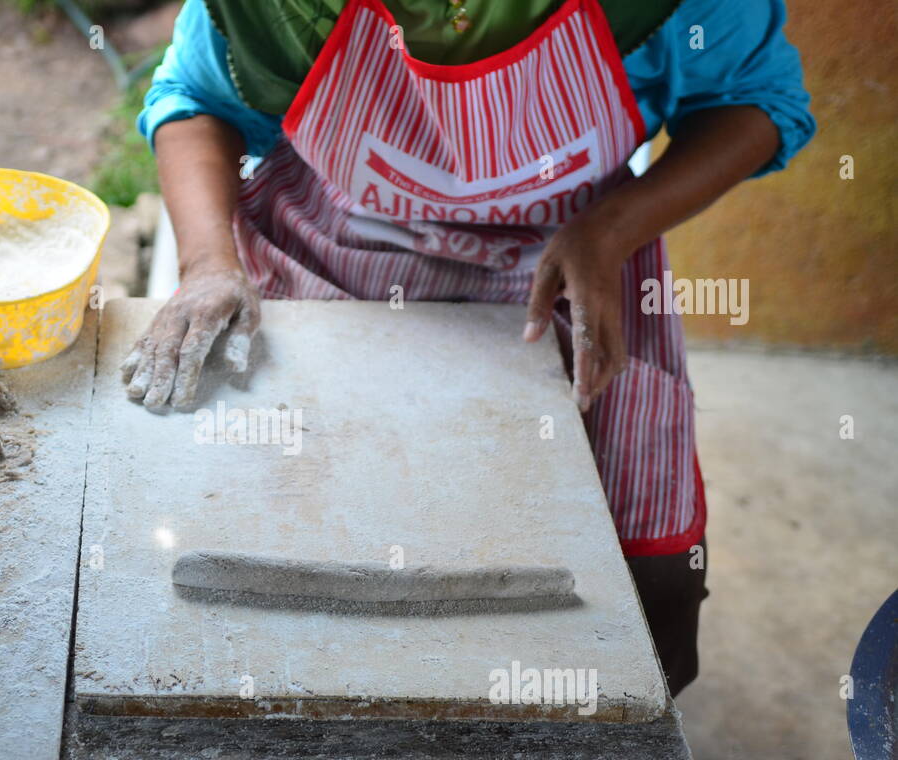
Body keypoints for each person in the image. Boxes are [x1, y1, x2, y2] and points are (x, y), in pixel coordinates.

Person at [121, 0, 815, 695]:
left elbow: (755, 102)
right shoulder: (287, 12)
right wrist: (209, 263)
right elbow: (195, 98)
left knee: (648, 598)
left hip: (568, 264)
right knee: (304, 548)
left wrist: (610, 230)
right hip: (339, 253)